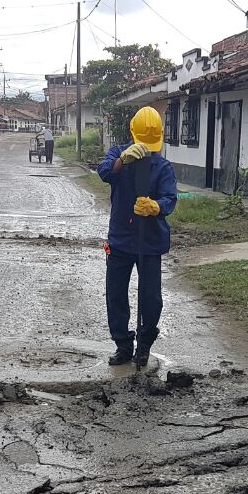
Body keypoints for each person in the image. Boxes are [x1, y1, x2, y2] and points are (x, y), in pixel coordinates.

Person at [97, 106, 178, 367]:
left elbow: (170, 198)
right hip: (121, 239)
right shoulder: (117, 154)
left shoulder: (163, 166)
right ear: (132, 134)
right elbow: (104, 172)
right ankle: (123, 345)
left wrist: (156, 206)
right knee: (116, 294)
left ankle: (144, 345)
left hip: (150, 241)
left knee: (151, 297)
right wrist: (122, 160)